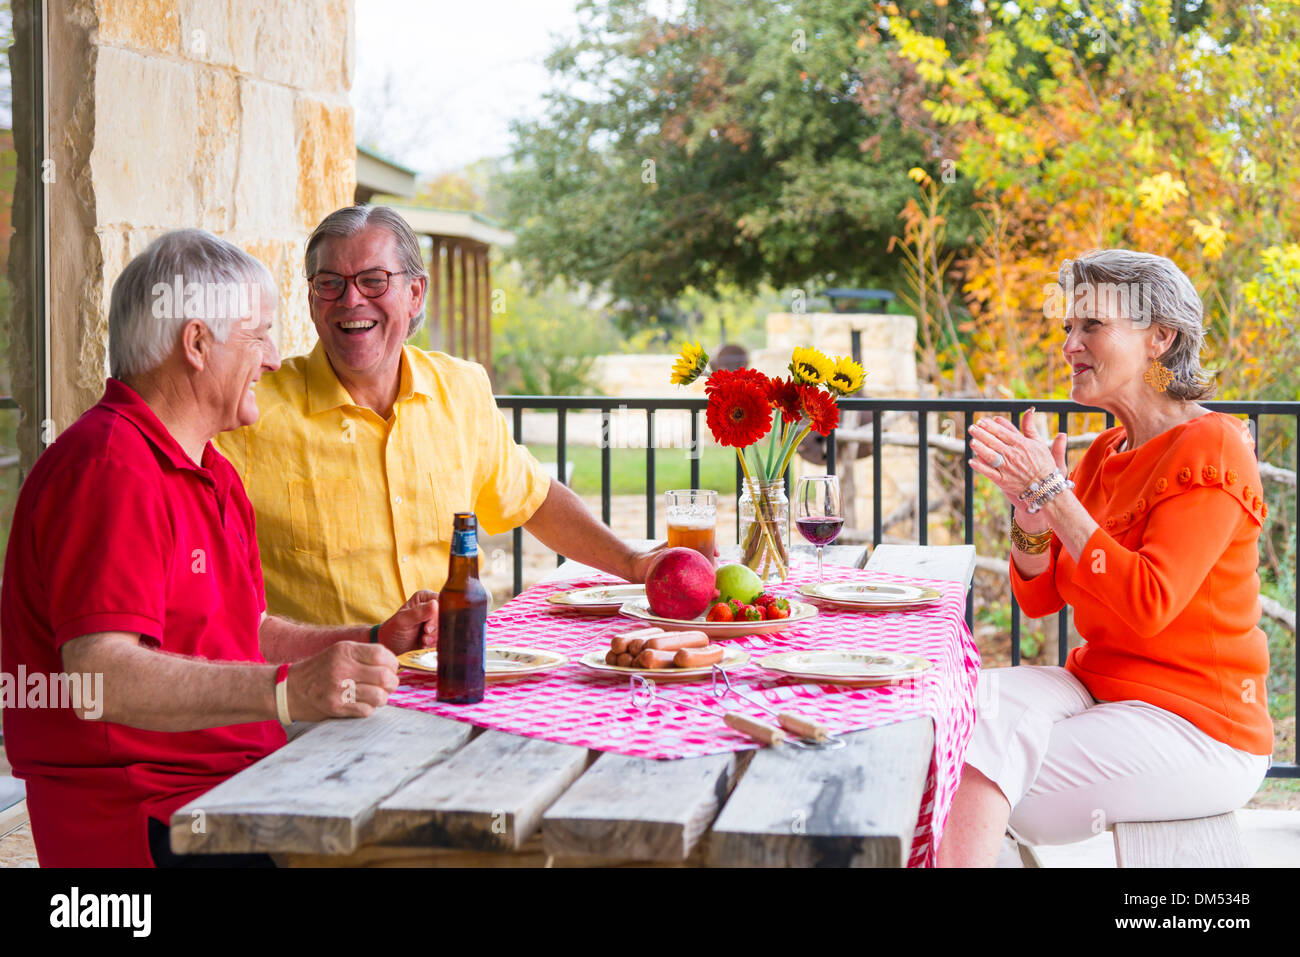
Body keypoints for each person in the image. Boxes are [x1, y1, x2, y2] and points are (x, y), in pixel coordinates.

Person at [0, 230, 438, 867]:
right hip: (149, 824)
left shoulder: (210, 469)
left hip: (235, 788)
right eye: (258, 334)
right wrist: (288, 691)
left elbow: (244, 630)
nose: (274, 357)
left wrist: (375, 638)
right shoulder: (109, 469)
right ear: (197, 344)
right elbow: (100, 674)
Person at [940, 249, 1272, 867]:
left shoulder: (1213, 444)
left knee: (971, 774)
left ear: (1160, 338)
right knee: (962, 709)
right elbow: (1039, 598)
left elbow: (1149, 604)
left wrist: (1055, 493)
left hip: (1201, 726)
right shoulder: (1105, 454)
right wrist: (1032, 516)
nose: (1070, 344)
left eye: (1091, 325)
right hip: (1101, 688)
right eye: (1069, 327)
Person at [214, 205, 660, 628]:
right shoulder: (248, 408)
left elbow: (535, 500)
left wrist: (631, 563)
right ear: (312, 299)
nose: (351, 299)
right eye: (330, 282)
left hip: (454, 669)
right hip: (329, 693)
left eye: (373, 280)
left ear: (414, 293)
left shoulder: (462, 389)